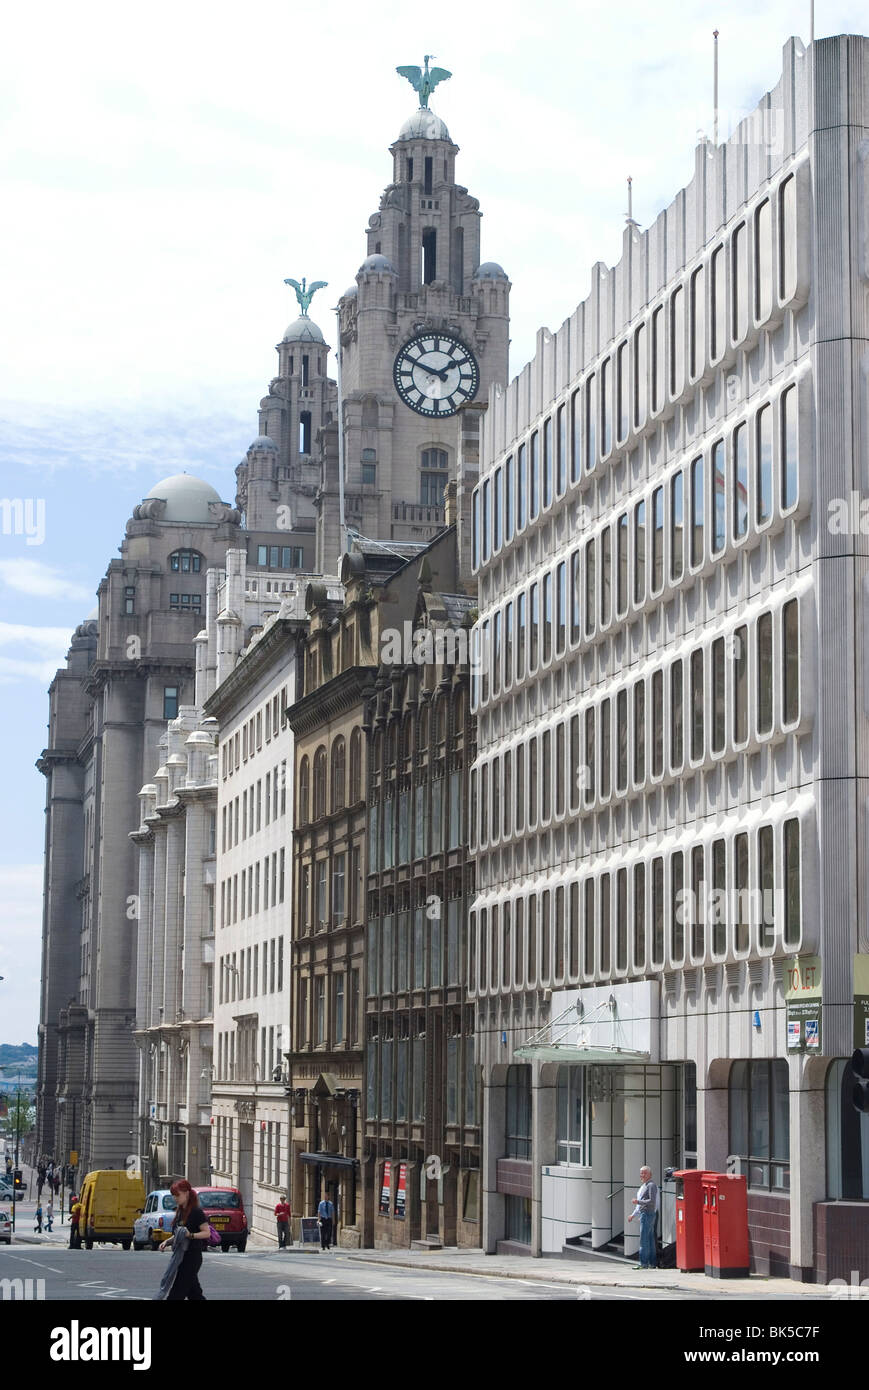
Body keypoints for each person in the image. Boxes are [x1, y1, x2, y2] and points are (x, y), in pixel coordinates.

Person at [157, 1179, 209, 1301]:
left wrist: (191, 1235)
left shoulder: (196, 1212)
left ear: (186, 1193)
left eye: (177, 1195)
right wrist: (167, 1241)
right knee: (194, 1294)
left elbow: (206, 1233)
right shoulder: (180, 1211)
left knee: (176, 1294)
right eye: (173, 1195)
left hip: (192, 1257)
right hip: (181, 1257)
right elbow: (179, 1234)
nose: (175, 1198)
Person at [627, 1165, 659, 1270]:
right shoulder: (645, 1185)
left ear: (650, 1174)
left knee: (644, 1240)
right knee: (649, 1239)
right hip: (646, 1214)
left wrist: (638, 1201)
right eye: (641, 1173)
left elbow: (651, 1201)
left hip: (647, 1214)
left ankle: (643, 1263)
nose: (642, 1175)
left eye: (645, 1173)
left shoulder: (651, 1185)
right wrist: (633, 1214)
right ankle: (652, 1263)